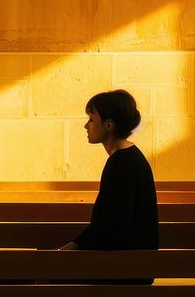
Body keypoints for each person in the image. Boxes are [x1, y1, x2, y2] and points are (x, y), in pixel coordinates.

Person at [59, 89, 159, 252]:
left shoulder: (122, 163)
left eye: (91, 119)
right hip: (133, 258)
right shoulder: (128, 157)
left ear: (108, 125)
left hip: (125, 262)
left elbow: (108, 227)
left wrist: (67, 250)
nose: (86, 126)